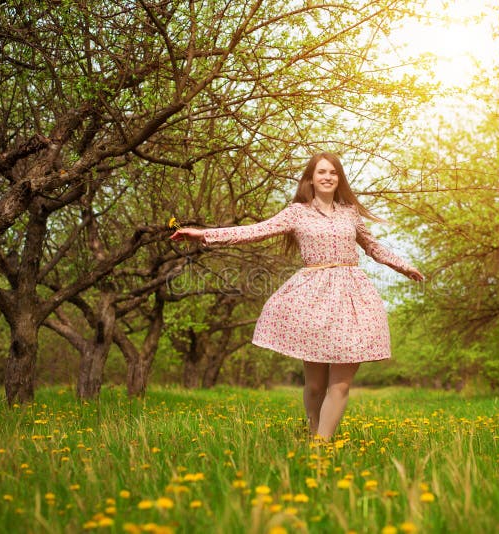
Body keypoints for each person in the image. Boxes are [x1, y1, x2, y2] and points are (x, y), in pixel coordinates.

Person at [170, 153, 424, 439]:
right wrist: (203, 235)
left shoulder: (349, 211)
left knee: (340, 384)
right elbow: (256, 231)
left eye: (333, 173)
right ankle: (314, 433)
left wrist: (403, 266)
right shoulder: (297, 212)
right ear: (310, 178)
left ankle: (321, 447)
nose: (328, 177)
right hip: (312, 300)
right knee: (315, 385)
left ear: (339, 178)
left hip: (351, 297)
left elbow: (373, 247)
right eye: (322, 172)